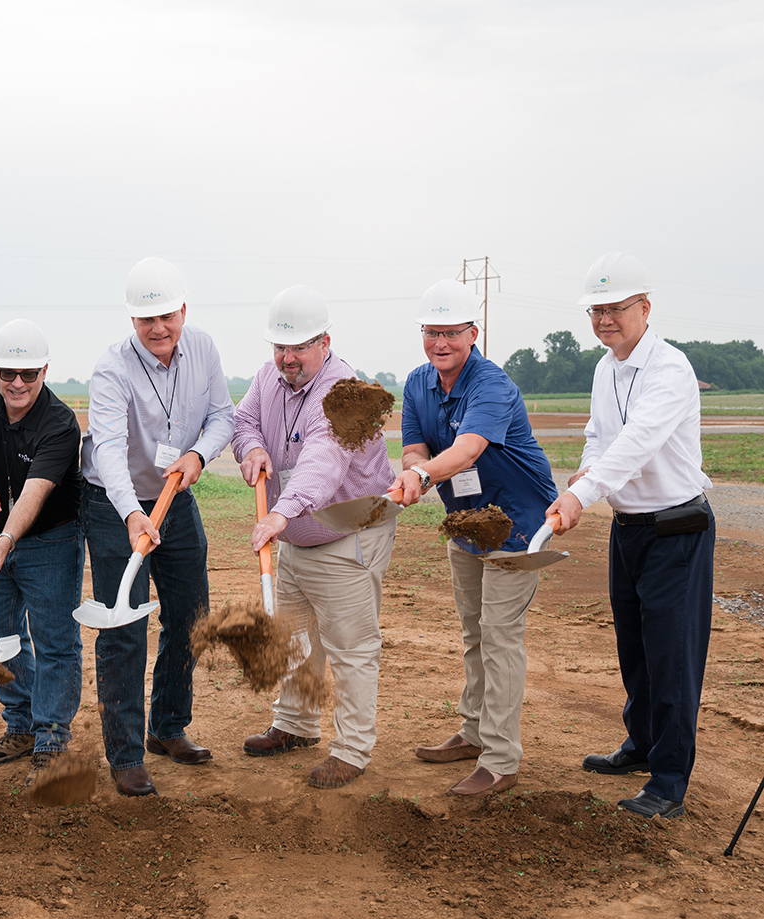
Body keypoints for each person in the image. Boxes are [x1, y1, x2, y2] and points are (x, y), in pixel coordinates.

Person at [547, 252, 714, 820]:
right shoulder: (604, 368)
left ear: (645, 307)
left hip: (677, 529)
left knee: (672, 656)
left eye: (615, 309)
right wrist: (584, 472)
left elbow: (637, 443)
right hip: (630, 530)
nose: (603, 321)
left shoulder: (670, 370)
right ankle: (641, 747)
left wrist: (580, 494)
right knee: (636, 649)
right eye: (595, 311)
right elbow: (600, 437)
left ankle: (668, 780)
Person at [391, 279, 558, 796]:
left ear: (472, 333)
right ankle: (472, 732)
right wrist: (413, 469)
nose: (441, 343)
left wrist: (421, 477)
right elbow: (414, 447)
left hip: (517, 523)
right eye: (431, 332)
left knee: (500, 636)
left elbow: (466, 451)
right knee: (475, 634)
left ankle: (501, 759)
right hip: (464, 525)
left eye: (452, 333)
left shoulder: (493, 385)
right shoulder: (418, 382)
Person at [79, 256, 235, 797]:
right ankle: (124, 755)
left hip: (175, 494)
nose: (159, 328)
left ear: (183, 311)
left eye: (167, 316)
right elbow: (109, 450)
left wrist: (197, 455)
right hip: (113, 502)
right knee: (122, 627)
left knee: (191, 613)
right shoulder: (111, 369)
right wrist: (131, 513)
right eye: (147, 320)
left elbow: (223, 416)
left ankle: (167, 728)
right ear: (131, 321)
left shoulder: (206, 350)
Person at [231, 286, 397, 789]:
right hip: (298, 537)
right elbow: (243, 420)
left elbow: (322, 462)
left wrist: (280, 513)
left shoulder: (344, 392)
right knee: (297, 638)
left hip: (346, 534)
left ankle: (351, 750)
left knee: (350, 645)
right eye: (280, 347)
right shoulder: (269, 376)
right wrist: (253, 448)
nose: (287, 358)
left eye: (299, 347)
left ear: (324, 342)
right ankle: (296, 725)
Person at [0, 319, 85, 781]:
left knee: (54, 640)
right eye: (8, 373)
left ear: (44, 371)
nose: (17, 384)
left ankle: (52, 736)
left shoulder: (61, 422)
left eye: (28, 374)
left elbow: (37, 489)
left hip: (51, 537)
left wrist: (7, 538)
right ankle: (21, 723)